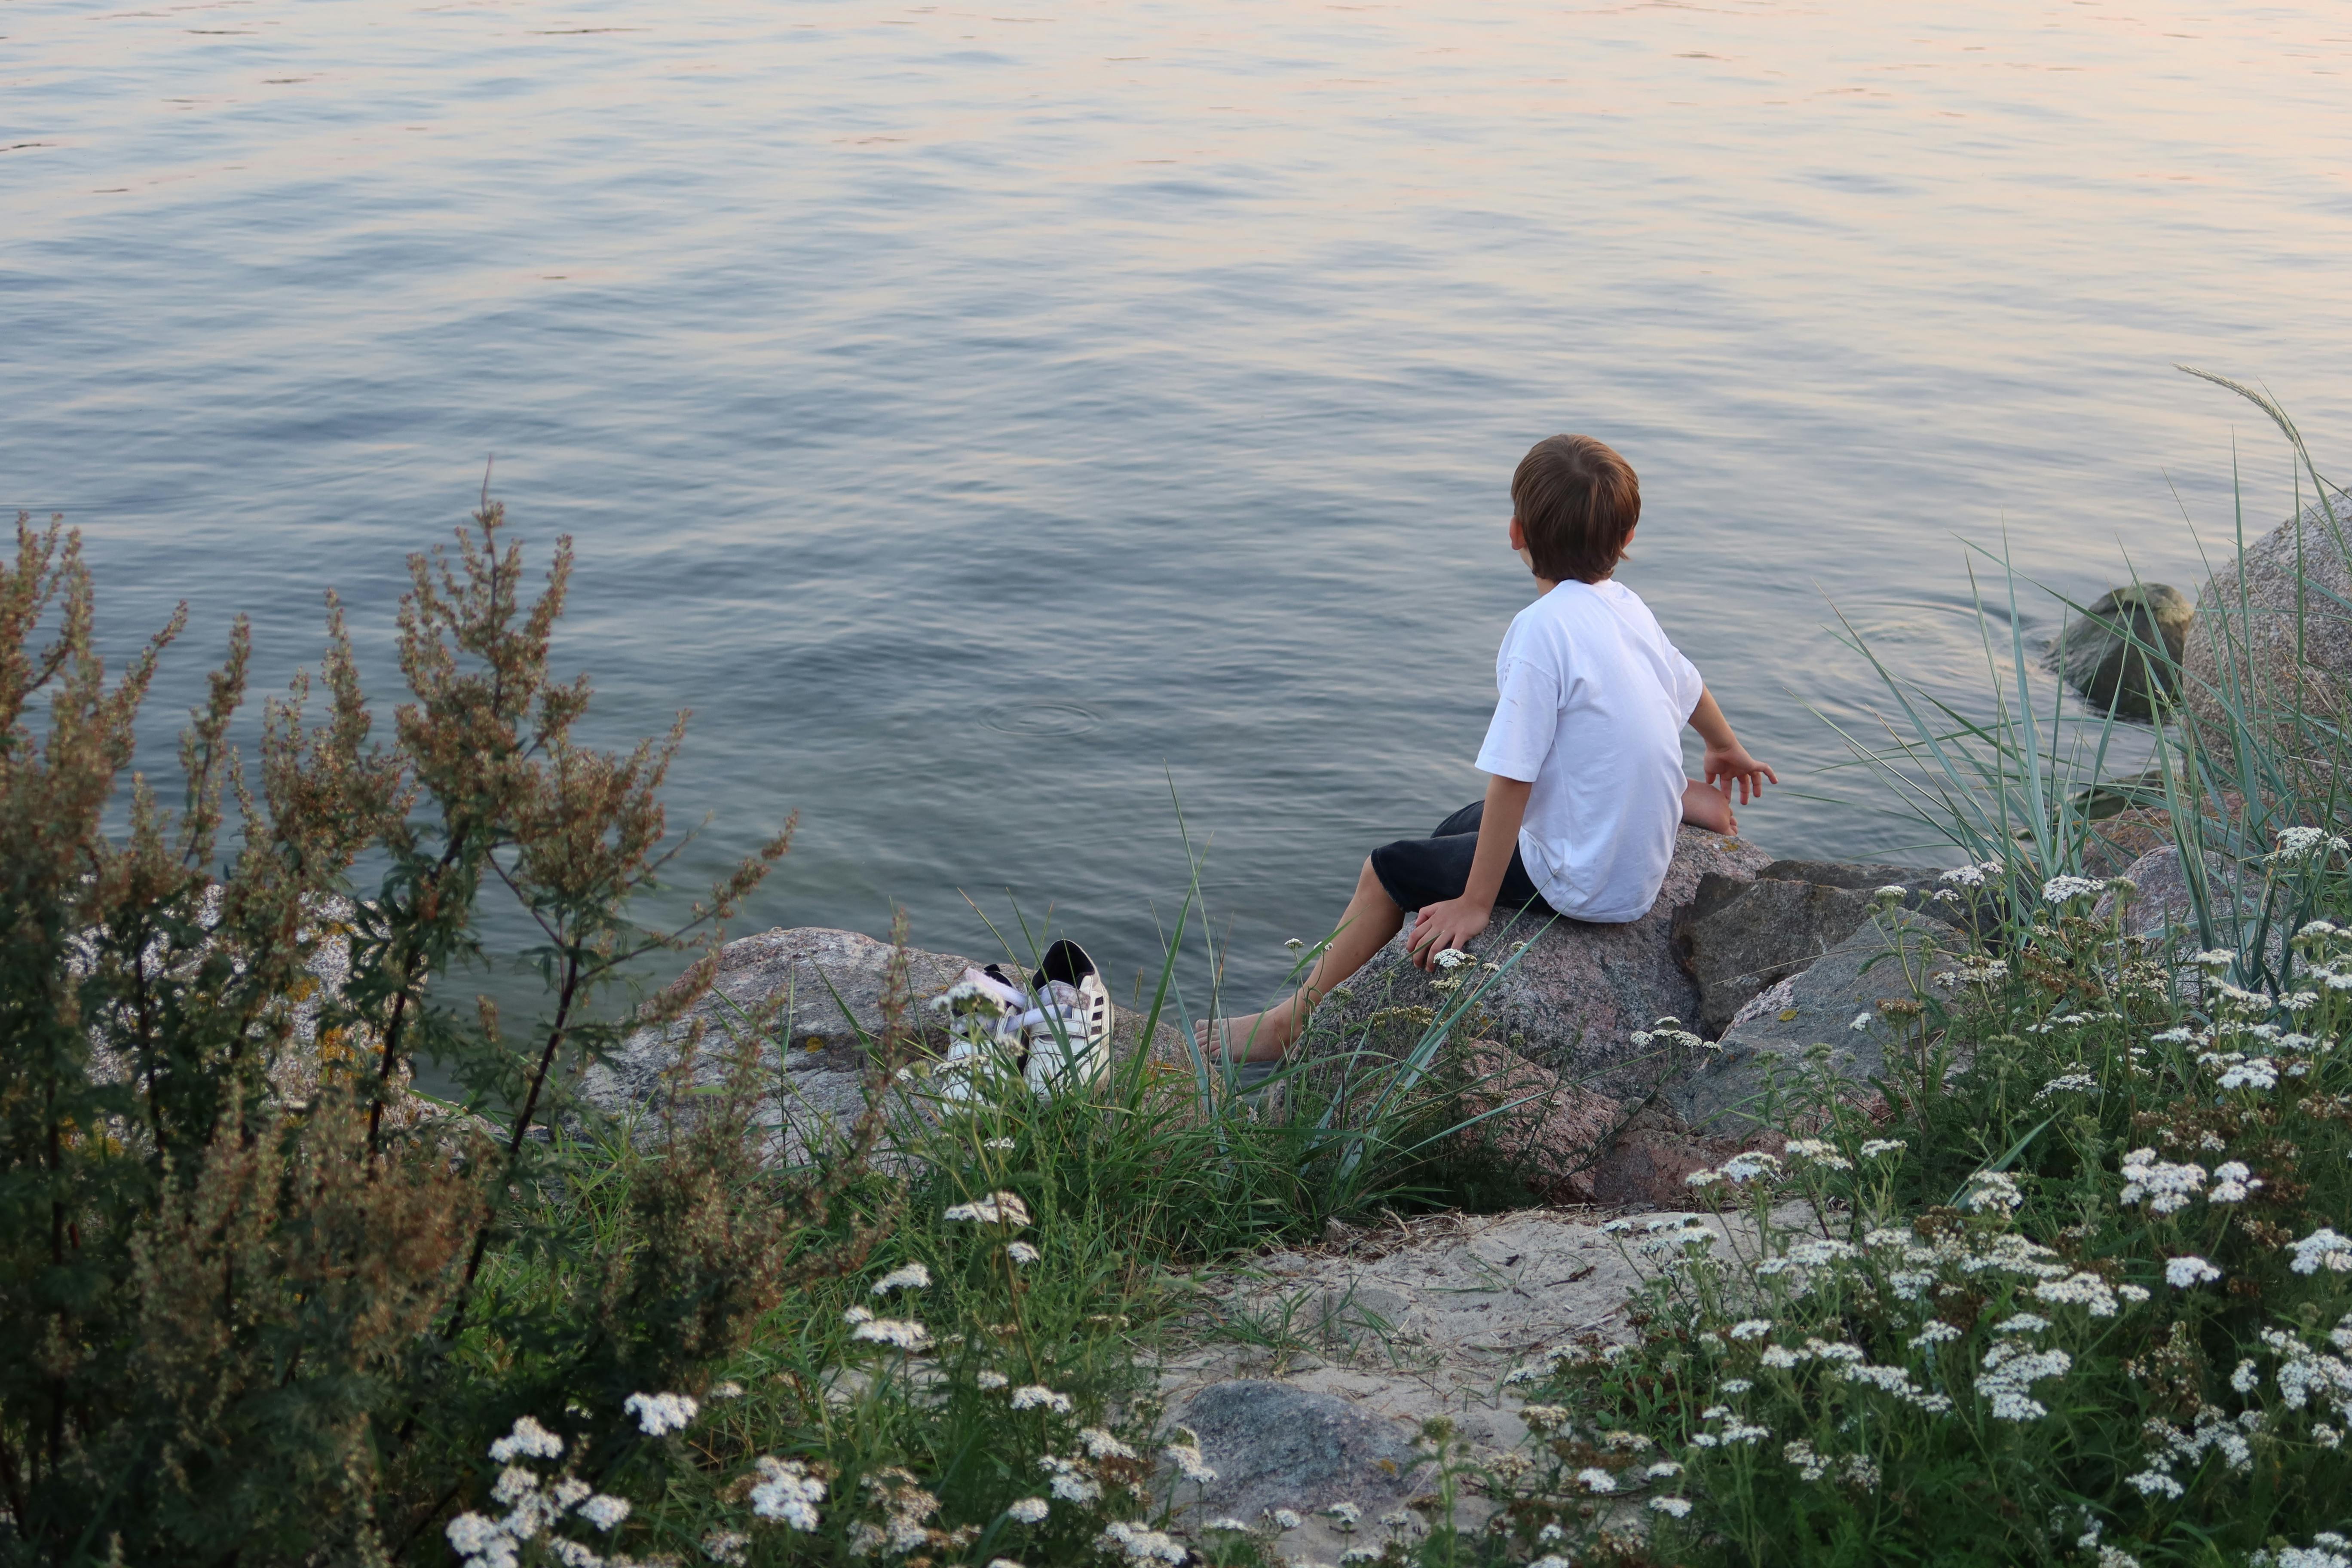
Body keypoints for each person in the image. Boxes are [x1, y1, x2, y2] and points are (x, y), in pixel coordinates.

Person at [1200, 434, 1775, 1064]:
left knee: (1387, 870)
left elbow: (1513, 776)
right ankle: (1685, 799)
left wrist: (1476, 904)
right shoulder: (1629, 608)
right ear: (1629, 536)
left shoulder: (1541, 630)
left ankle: (1289, 1027)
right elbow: (1685, 685)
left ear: (1516, 533)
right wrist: (1726, 747)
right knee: (1456, 829)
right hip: (1638, 868)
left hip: (1582, 882)